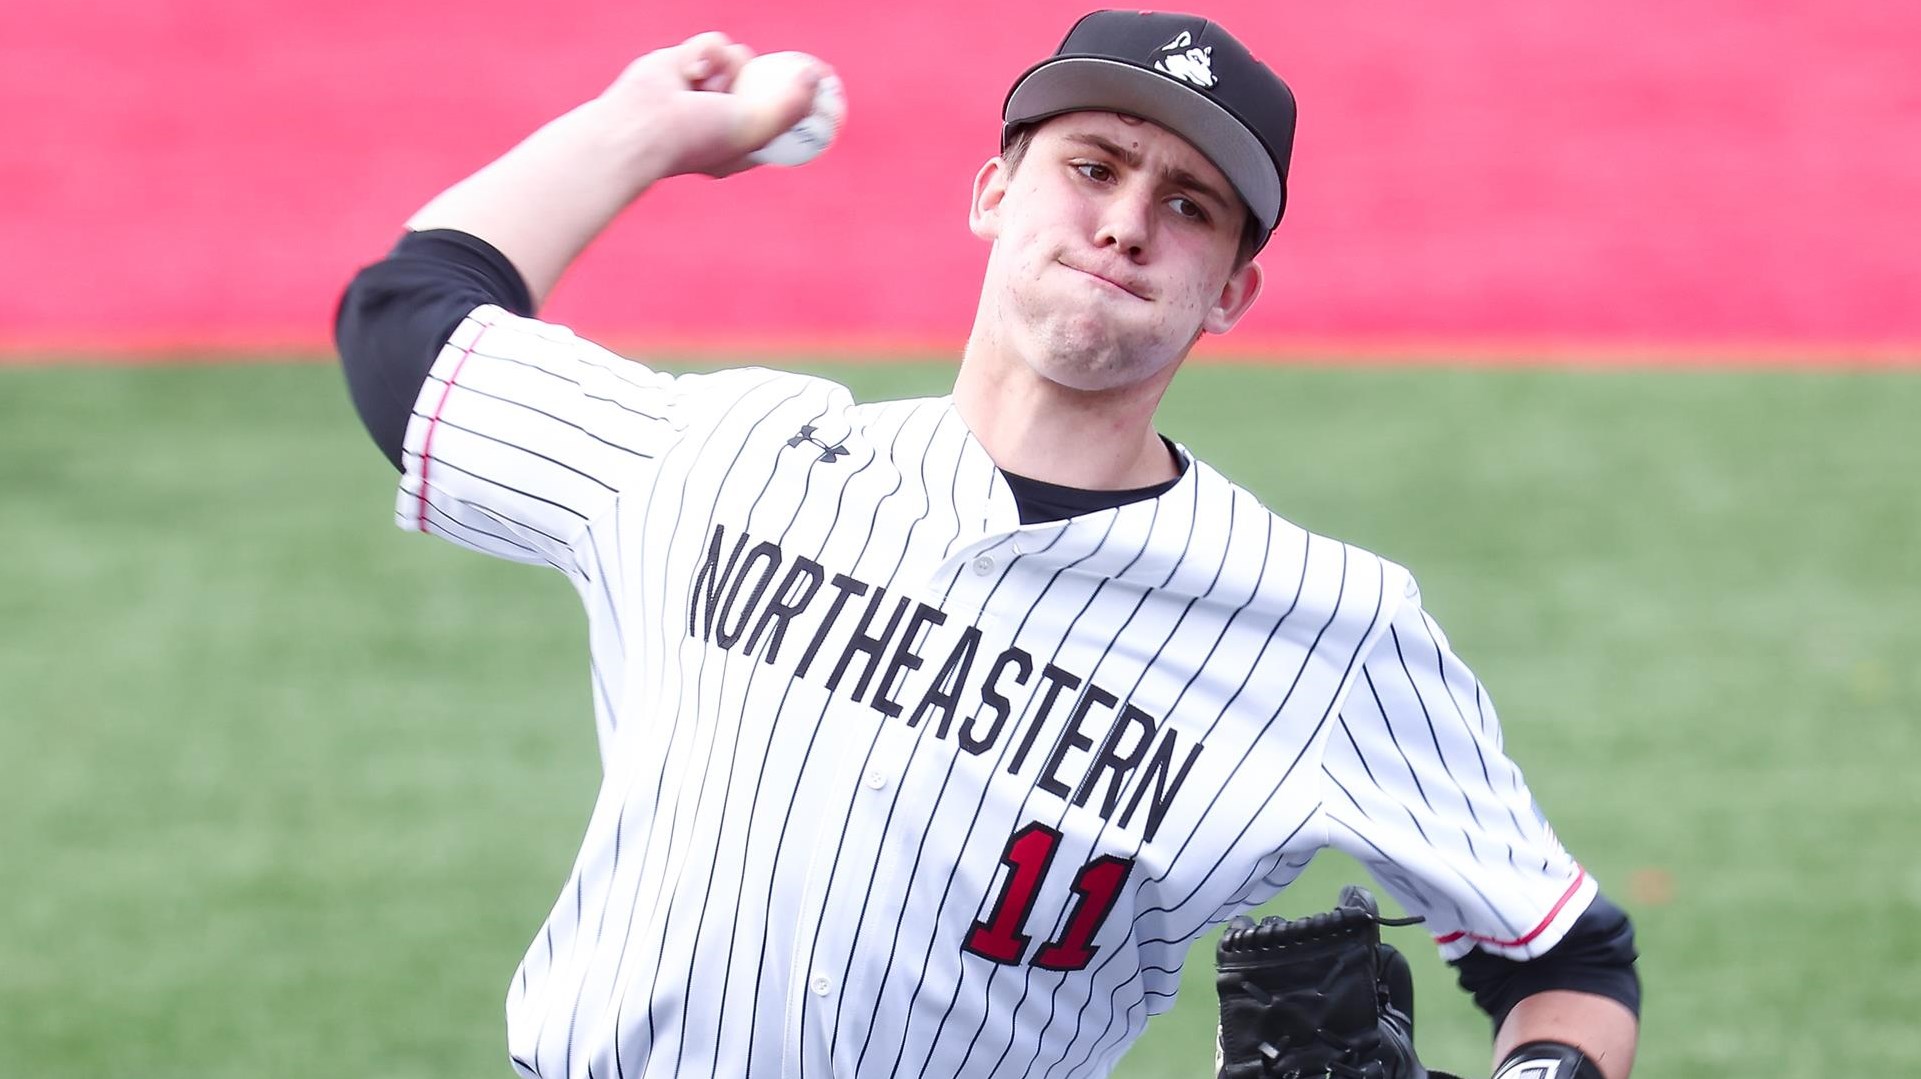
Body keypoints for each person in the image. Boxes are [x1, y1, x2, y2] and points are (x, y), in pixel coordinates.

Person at [335, 11, 1640, 1079]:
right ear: (992, 192)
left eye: (1188, 205)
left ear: (1230, 291)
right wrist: (649, 128)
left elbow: (1565, 963)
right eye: (1089, 167)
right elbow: (407, 327)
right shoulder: (719, 459)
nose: (1126, 221)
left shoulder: (1327, 627)